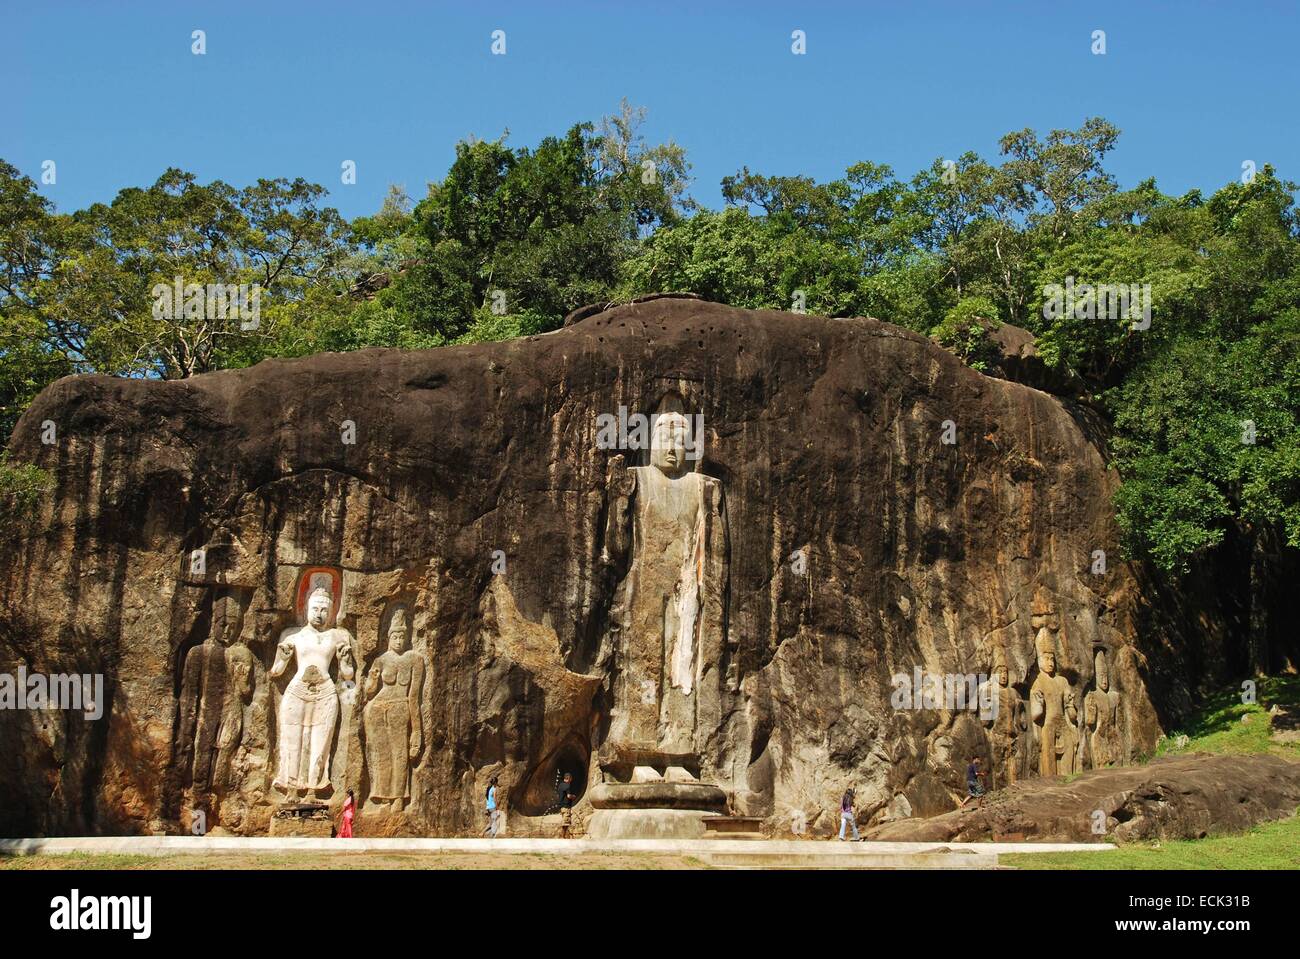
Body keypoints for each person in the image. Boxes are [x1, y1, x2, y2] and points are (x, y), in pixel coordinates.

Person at [558, 772, 576, 838]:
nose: (571, 780)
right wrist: (573, 796)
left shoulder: (560, 785)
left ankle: (565, 836)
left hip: (561, 806)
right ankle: (563, 837)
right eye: (571, 779)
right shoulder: (567, 785)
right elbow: (568, 796)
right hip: (566, 806)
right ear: (568, 778)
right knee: (566, 822)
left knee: (565, 821)